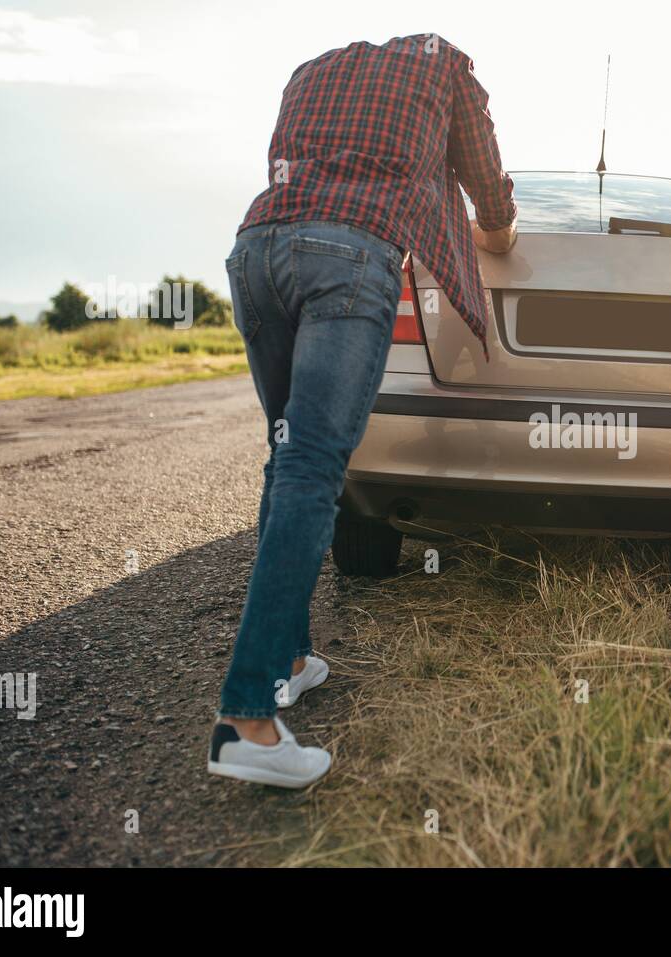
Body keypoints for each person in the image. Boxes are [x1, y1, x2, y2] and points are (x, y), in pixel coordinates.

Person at [208, 35, 517, 788]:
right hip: (348, 258)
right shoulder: (445, 66)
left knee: (288, 456)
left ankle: (287, 658)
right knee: (313, 467)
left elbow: (282, 162)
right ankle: (246, 718)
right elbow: (485, 179)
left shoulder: (308, 72)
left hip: (257, 248)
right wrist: (498, 232)